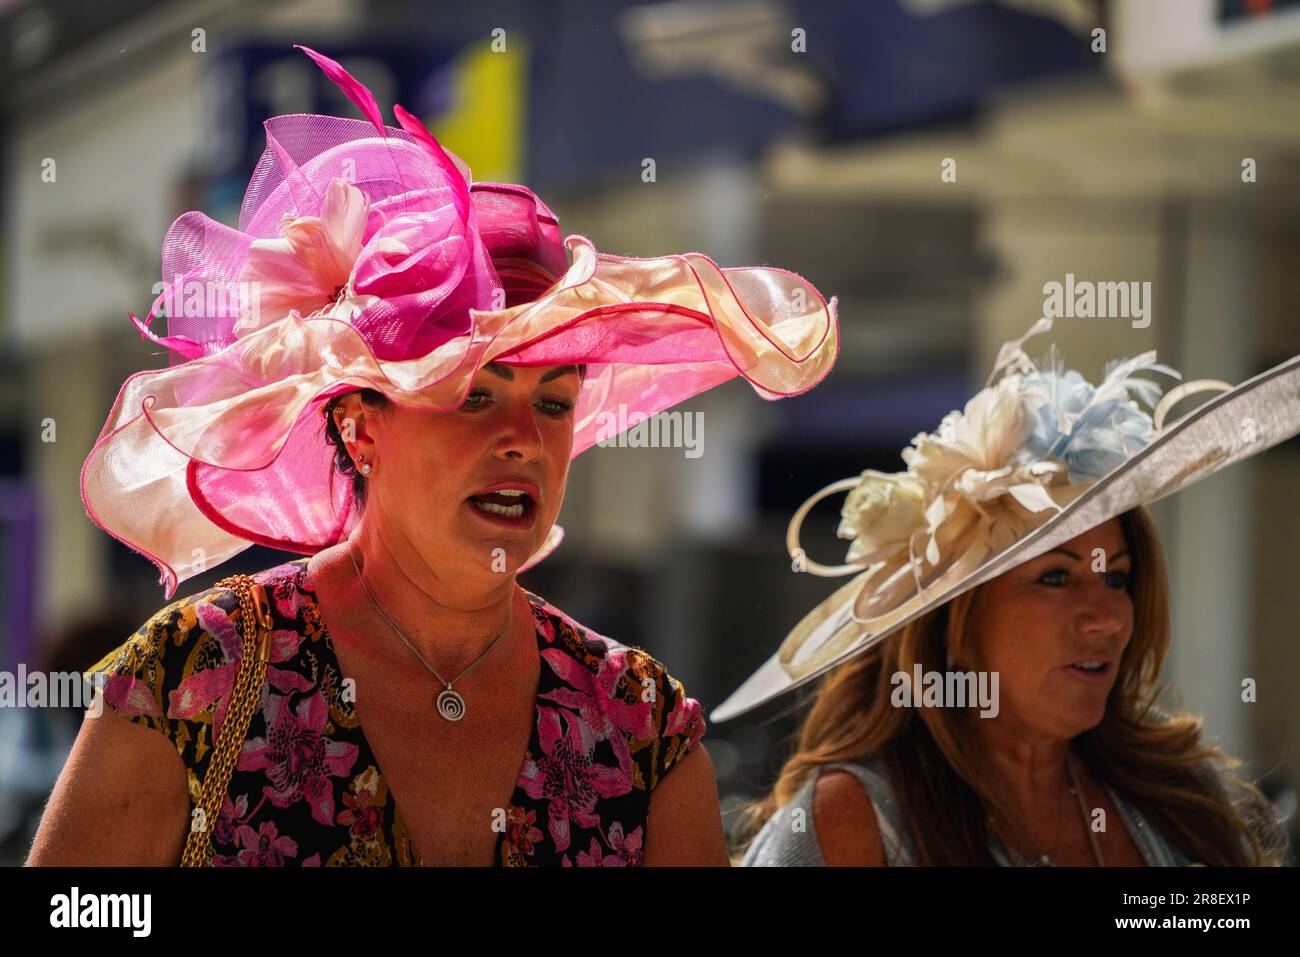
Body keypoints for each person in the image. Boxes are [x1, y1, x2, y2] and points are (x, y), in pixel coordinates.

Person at [26, 46, 838, 867]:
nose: (525, 438)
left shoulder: (639, 724)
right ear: (360, 426)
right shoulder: (196, 675)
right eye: (473, 394)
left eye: (554, 403)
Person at [717, 318, 1297, 866]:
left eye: (1117, 578)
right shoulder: (852, 821)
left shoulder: (1184, 801)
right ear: (955, 620)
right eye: (1054, 578)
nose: (1107, 618)